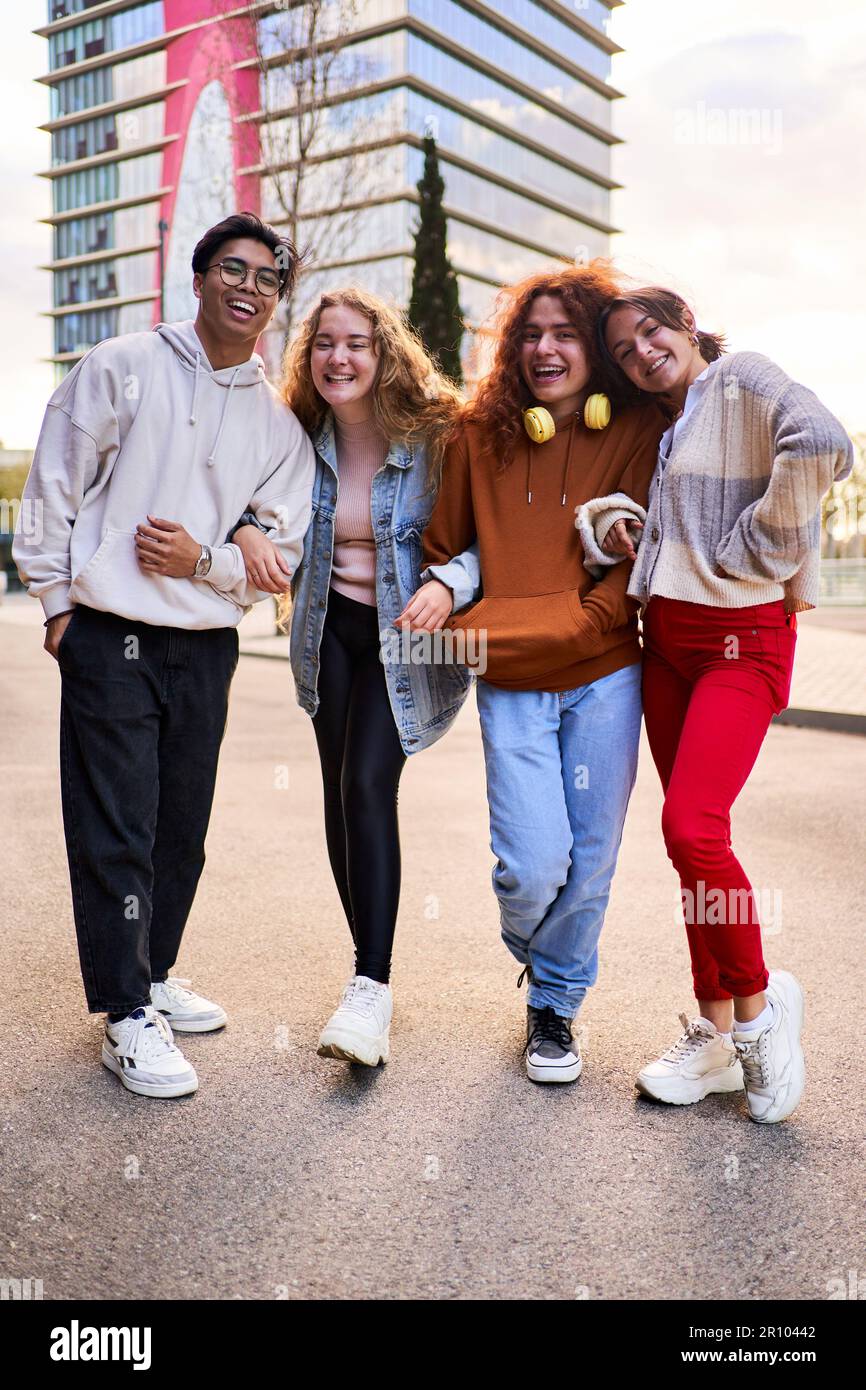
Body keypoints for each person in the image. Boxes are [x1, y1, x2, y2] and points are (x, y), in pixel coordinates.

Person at [13, 212, 315, 1098]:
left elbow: (277, 552)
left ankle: (152, 971)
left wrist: (207, 560)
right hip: (112, 637)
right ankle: (124, 1014)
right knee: (118, 826)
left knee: (180, 828)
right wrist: (59, 607)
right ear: (199, 276)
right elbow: (53, 488)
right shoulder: (121, 366)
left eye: (266, 279)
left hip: (206, 647)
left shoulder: (277, 426)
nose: (249, 288)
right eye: (234, 268)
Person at [576, 284, 853, 1122]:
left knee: (691, 826)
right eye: (623, 349)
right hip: (668, 647)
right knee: (694, 845)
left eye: (649, 332)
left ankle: (764, 1014)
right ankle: (714, 1031)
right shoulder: (673, 423)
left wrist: (758, 544)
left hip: (743, 643)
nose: (640, 352)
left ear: (686, 324)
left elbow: (827, 442)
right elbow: (678, 524)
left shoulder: (743, 381)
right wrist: (629, 531)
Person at [405, 265, 664, 1084]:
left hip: (607, 670)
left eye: (564, 334)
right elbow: (446, 547)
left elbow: (644, 552)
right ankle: (537, 944)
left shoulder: (634, 433)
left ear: (593, 350)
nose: (546, 348)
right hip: (511, 672)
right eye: (532, 333)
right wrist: (449, 587)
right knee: (532, 866)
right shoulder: (474, 440)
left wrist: (590, 620)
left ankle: (553, 1005)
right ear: (513, 347)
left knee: (591, 856)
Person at [231, 288, 473, 1067]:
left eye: (357, 343)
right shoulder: (297, 432)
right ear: (311, 357)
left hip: (409, 635)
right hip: (327, 626)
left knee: (369, 783)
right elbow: (239, 501)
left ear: (384, 351)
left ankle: (372, 984)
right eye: (326, 343)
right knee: (338, 788)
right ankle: (366, 972)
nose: (340, 357)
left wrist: (451, 581)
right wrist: (243, 532)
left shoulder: (439, 433)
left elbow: (484, 533)